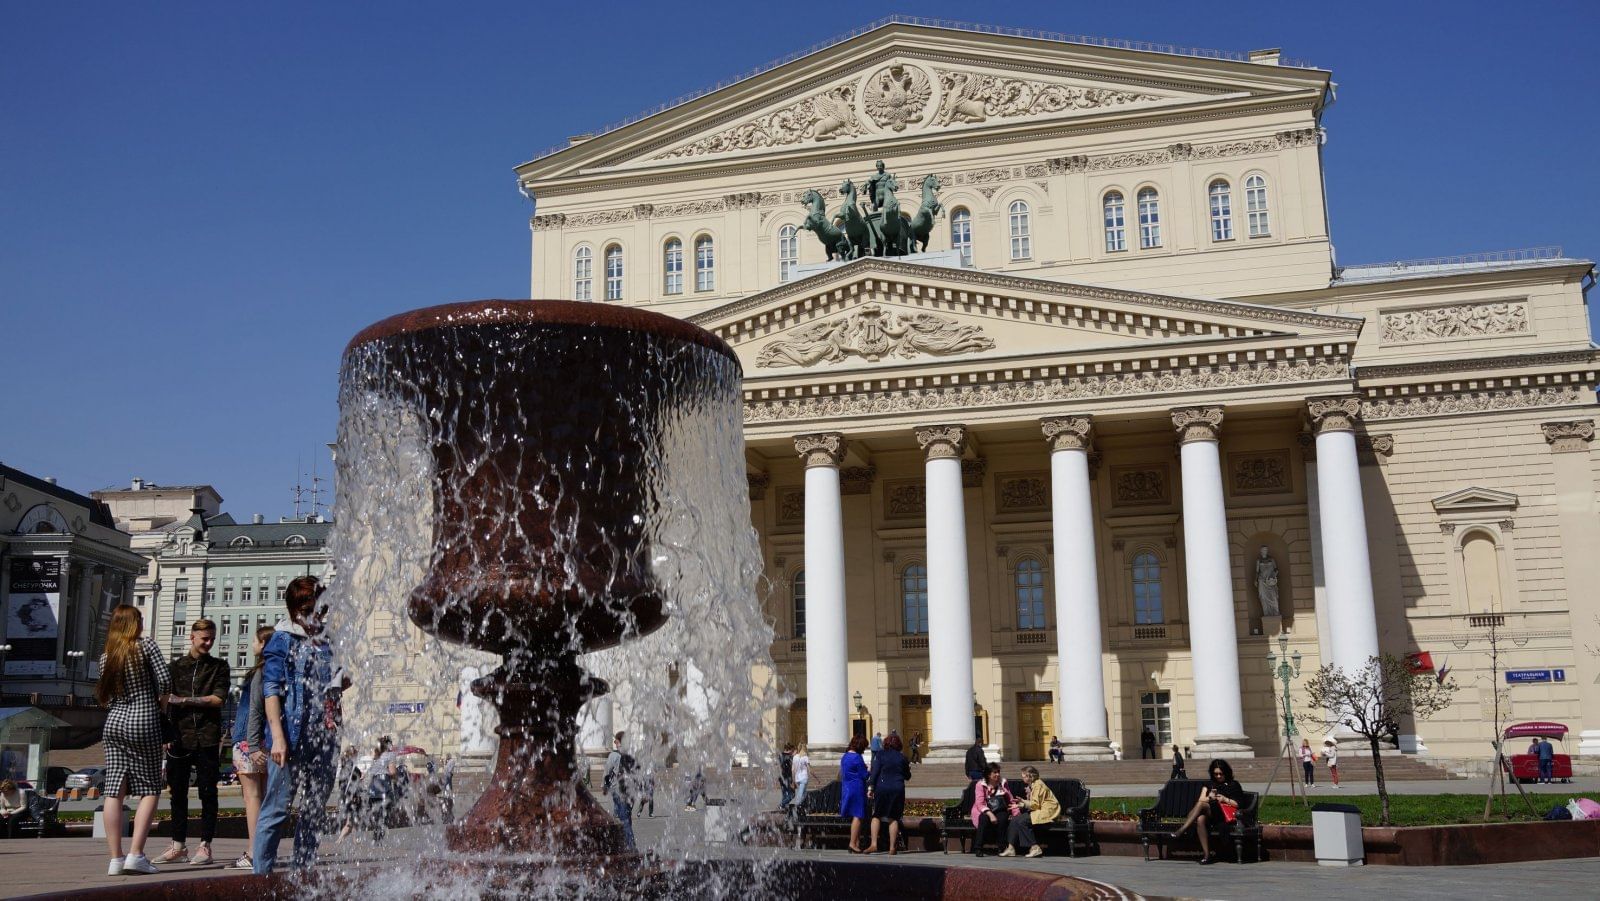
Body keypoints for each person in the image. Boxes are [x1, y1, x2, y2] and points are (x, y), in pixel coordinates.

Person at [252, 576, 349, 875]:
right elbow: (271, 690)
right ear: (296, 610)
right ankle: (262, 879)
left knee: (315, 809)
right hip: (291, 736)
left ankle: (302, 874)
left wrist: (342, 682)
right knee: (277, 809)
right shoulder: (282, 639)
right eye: (310, 609)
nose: (317, 616)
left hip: (325, 734)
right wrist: (277, 738)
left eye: (320, 609)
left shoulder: (328, 640)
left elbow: (331, 684)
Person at [96, 603, 171, 875]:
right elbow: (164, 681)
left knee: (114, 789)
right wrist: (160, 708)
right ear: (134, 623)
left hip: (114, 722)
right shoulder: (146, 646)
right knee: (150, 787)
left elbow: (104, 693)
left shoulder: (107, 655)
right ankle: (136, 854)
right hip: (144, 718)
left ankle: (115, 859)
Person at [154, 617, 231, 867]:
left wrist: (185, 701)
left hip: (208, 737)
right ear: (192, 638)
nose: (208, 643)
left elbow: (219, 699)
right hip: (179, 736)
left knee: (208, 792)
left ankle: (205, 845)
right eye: (204, 638)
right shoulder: (175, 667)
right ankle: (178, 845)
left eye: (211, 638)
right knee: (177, 793)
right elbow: (164, 702)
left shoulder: (219, 666)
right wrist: (166, 734)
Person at [230, 625, 275, 868]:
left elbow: (255, 708)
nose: (252, 645)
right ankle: (263, 851)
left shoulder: (259, 672)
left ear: (263, 646)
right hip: (265, 740)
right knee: (265, 797)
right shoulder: (277, 671)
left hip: (250, 740)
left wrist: (251, 742)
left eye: (255, 641)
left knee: (252, 798)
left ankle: (253, 852)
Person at [1168, 759, 1245, 864]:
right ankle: (1206, 855)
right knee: (1200, 819)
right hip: (1211, 813)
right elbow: (1201, 799)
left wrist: (1224, 799)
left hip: (1224, 815)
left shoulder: (1233, 784)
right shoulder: (1209, 784)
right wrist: (1210, 797)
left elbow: (1238, 804)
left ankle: (1182, 829)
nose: (1218, 776)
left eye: (1220, 774)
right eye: (1215, 774)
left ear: (1226, 773)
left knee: (1201, 806)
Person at [864, 732, 911, 854]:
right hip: (897, 788)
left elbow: (875, 773)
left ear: (886, 743)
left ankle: (874, 844)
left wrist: (870, 788)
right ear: (898, 745)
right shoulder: (902, 757)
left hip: (882, 788)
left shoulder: (880, 755)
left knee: (876, 815)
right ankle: (892, 847)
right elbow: (908, 776)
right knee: (894, 817)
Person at [1001, 765, 1060, 858]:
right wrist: (1023, 802)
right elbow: (1034, 803)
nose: (1022, 778)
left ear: (1030, 776)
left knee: (1022, 821)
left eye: (1023, 776)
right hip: (1040, 809)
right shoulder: (1033, 785)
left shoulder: (1038, 785)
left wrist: (1023, 804)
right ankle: (1010, 848)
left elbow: (1036, 804)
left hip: (1047, 811)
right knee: (1015, 820)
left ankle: (1035, 847)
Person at [970, 762, 1015, 858]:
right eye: (994, 772)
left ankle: (1002, 847)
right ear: (988, 774)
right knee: (983, 819)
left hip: (1000, 808)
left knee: (1002, 818)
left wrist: (1016, 813)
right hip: (984, 809)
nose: (997, 774)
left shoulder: (1003, 783)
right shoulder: (980, 784)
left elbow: (1010, 799)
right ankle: (978, 848)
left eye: (998, 772)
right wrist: (990, 814)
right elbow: (979, 803)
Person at [602, 731, 636, 851]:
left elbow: (607, 772)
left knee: (624, 820)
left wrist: (604, 786)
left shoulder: (614, 755)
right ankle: (626, 844)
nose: (615, 743)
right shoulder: (632, 754)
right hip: (631, 792)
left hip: (618, 790)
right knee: (626, 817)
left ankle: (630, 847)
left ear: (620, 742)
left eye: (616, 741)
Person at [839, 735, 870, 853]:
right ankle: (852, 843)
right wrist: (868, 770)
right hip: (857, 788)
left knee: (855, 816)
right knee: (858, 816)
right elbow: (864, 775)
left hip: (847, 788)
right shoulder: (857, 757)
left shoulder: (845, 756)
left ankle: (856, 843)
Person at [790, 744, 810, 818]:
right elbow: (809, 769)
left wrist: (793, 780)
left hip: (797, 778)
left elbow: (793, 770)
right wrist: (816, 778)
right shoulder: (805, 757)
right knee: (801, 794)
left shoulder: (795, 757)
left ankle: (802, 809)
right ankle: (796, 809)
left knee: (803, 793)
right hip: (804, 778)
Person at [778, 744, 796, 811]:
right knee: (792, 794)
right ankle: (781, 805)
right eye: (793, 750)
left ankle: (783, 806)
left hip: (781, 777)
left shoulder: (780, 756)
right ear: (790, 749)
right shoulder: (790, 757)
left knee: (784, 793)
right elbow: (792, 769)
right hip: (788, 777)